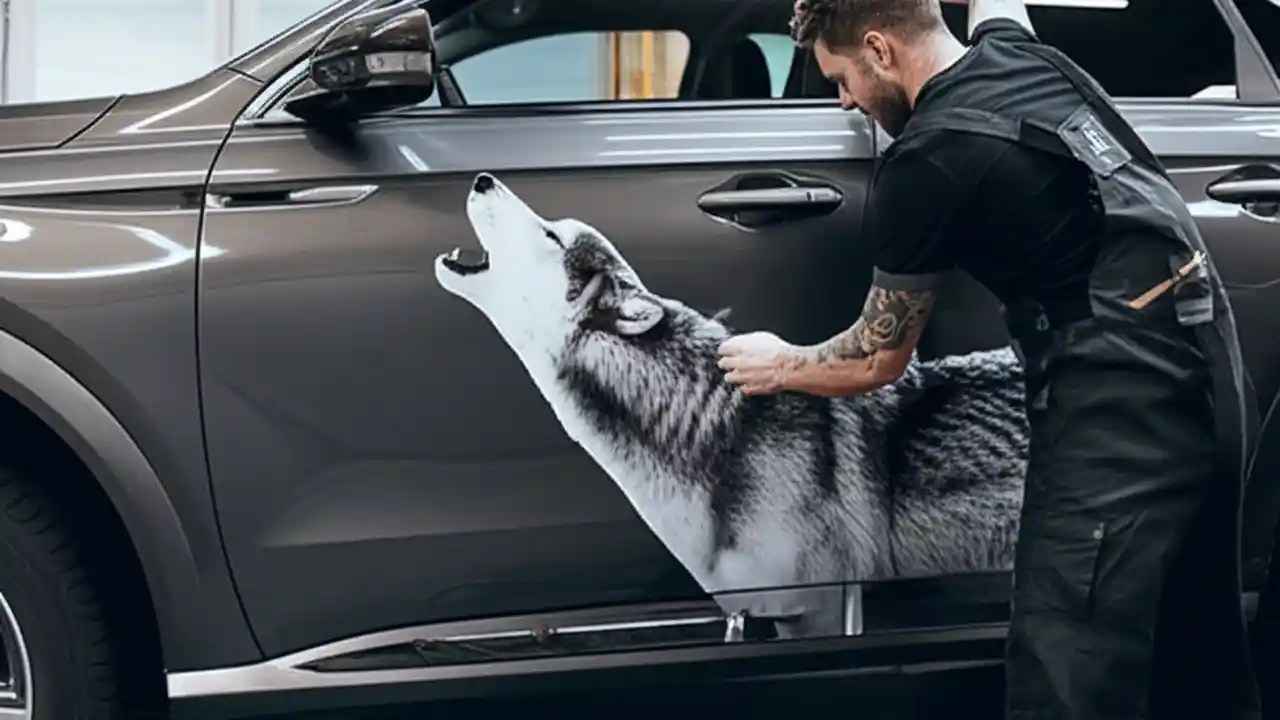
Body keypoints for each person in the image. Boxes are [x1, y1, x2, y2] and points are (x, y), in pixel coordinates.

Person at [715, 0, 1266, 718]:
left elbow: (876, 357)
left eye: (840, 79)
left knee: (1067, 666)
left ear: (879, 49)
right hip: (1213, 369)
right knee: (1196, 661)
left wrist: (781, 362)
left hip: (1123, 415)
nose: (845, 101)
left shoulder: (928, 159)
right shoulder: (1015, 52)